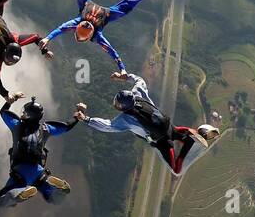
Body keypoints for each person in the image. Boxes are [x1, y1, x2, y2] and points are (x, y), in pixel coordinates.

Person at [75, 72, 220, 176]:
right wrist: (124, 77)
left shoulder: (125, 119)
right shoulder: (137, 93)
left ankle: (188, 144)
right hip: (169, 126)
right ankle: (197, 132)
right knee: (176, 131)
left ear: (122, 107)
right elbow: (140, 80)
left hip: (163, 141)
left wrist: (86, 119)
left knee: (176, 170)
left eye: (117, 104)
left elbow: (106, 126)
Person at [37, 0, 157, 75]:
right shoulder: (76, 24)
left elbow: (112, 51)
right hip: (87, 6)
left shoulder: (96, 36)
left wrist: (122, 69)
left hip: (105, 14)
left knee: (125, 7)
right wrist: (47, 38)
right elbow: (60, 29)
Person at [0, 94, 78, 207]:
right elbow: (67, 126)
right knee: (53, 199)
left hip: (20, 172)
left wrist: (12, 99)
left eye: (25, 113)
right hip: (39, 172)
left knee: (3, 199)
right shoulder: (46, 128)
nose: (22, 114)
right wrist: (77, 116)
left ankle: (19, 192)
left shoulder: (17, 125)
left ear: (29, 116)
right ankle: (58, 189)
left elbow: (3, 112)